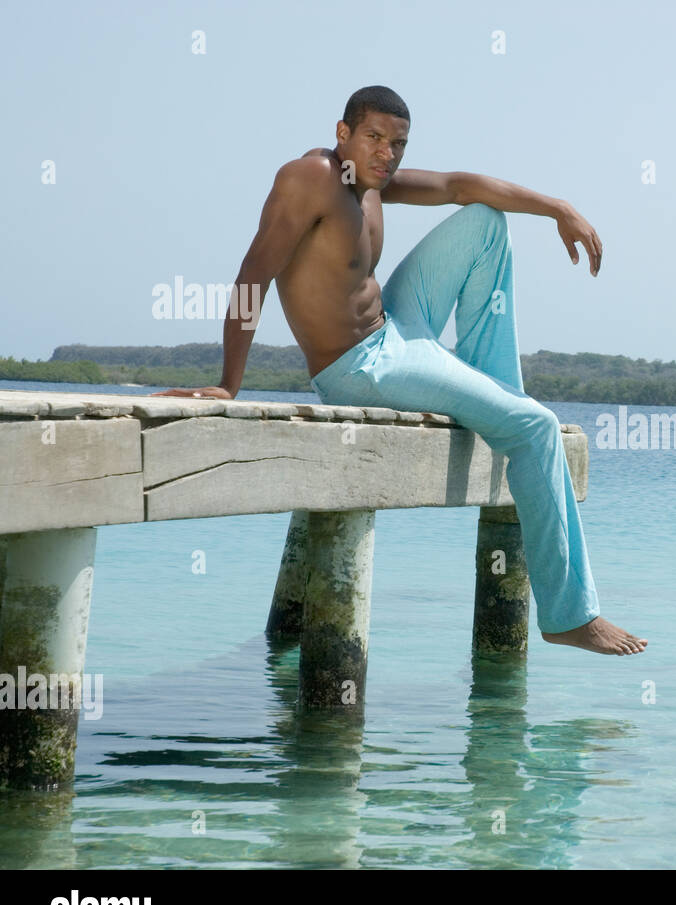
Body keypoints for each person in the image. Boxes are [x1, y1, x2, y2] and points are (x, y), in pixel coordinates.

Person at [153, 85, 647, 656]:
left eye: (398, 144)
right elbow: (253, 272)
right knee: (537, 427)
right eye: (374, 138)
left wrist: (560, 208)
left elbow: (463, 185)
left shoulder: (374, 184)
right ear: (343, 134)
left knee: (485, 222)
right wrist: (228, 382)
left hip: (395, 328)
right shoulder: (311, 178)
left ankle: (498, 399)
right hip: (359, 366)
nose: (387, 154)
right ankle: (569, 616)